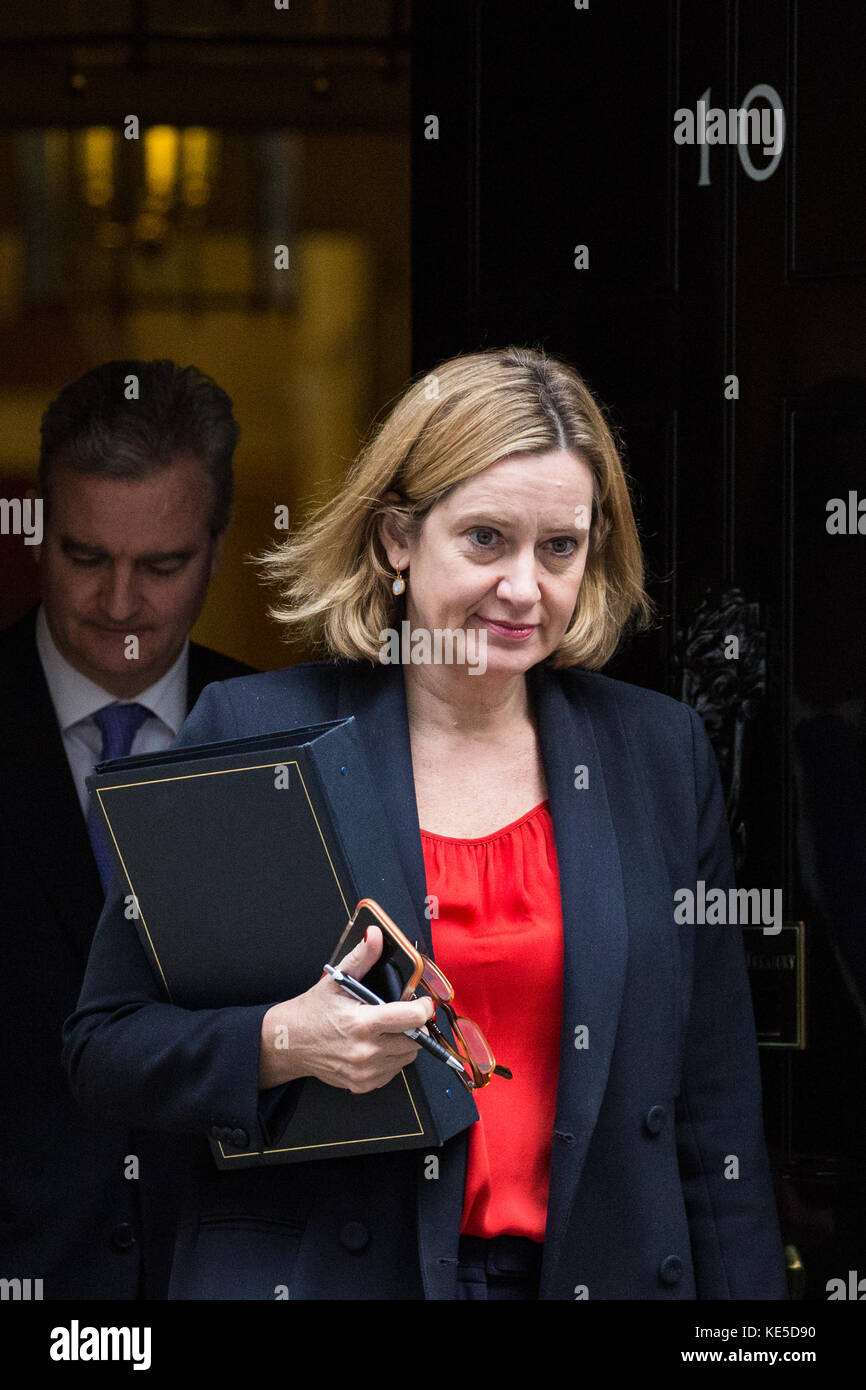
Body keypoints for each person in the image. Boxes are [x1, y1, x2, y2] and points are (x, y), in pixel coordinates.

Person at [63, 346, 788, 1300]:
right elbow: (105, 1048)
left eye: (559, 548)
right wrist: (281, 1042)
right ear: (397, 538)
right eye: (486, 539)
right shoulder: (251, 730)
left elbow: (715, 1110)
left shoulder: (659, 754)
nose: (526, 587)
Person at [0, 359, 255, 1300]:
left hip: (225, 1268)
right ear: (36, 536)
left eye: (161, 565)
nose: (118, 605)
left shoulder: (278, 734)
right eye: (85, 557)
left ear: (218, 549)